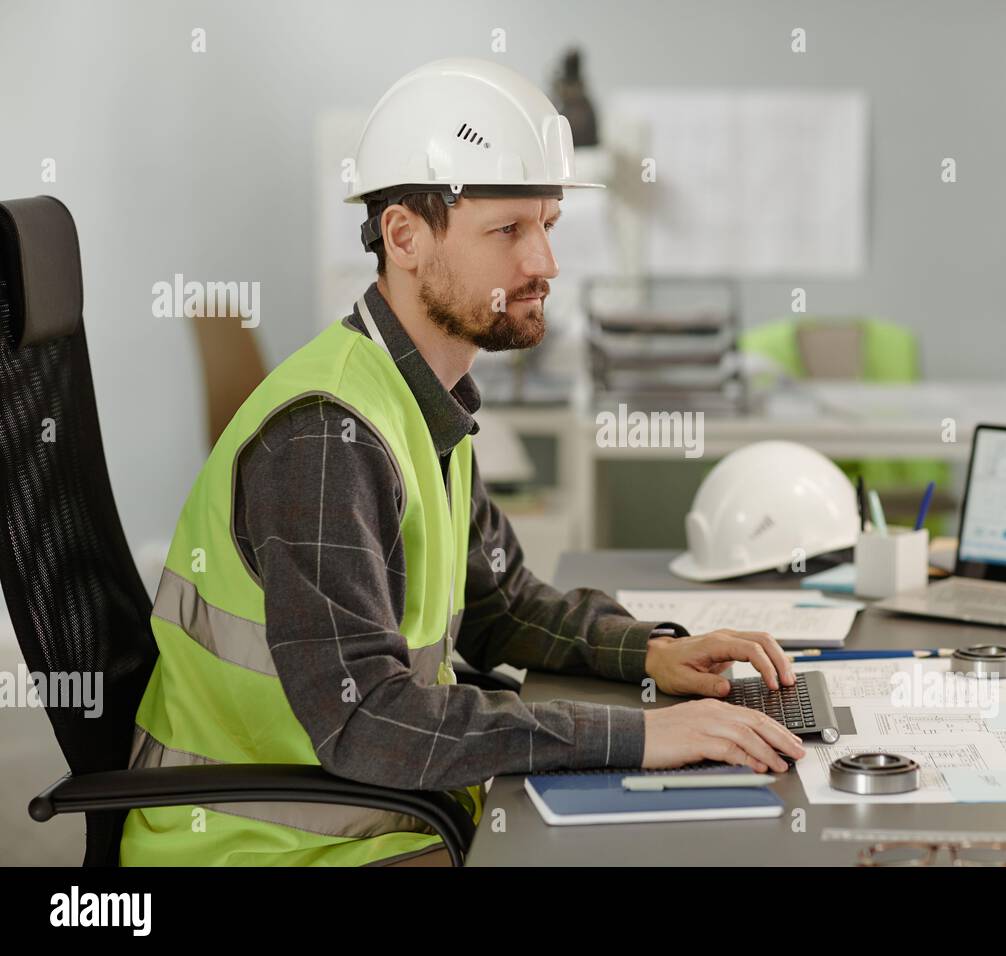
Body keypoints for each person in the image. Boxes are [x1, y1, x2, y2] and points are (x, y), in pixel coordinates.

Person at [119, 57, 804, 867]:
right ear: (405, 236)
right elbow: (366, 722)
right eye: (508, 229)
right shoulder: (324, 439)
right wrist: (641, 734)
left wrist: (650, 653)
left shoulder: (418, 396)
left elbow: (501, 602)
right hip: (271, 849)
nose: (545, 263)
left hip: (389, 814)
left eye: (548, 224)